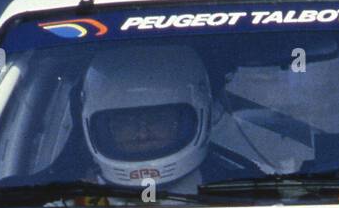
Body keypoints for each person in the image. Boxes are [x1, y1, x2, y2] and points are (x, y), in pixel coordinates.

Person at [81, 45, 259, 193]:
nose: (142, 133)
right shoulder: (68, 198)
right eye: (126, 122)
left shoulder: (245, 190)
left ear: (197, 119)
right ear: (100, 129)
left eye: (157, 119)